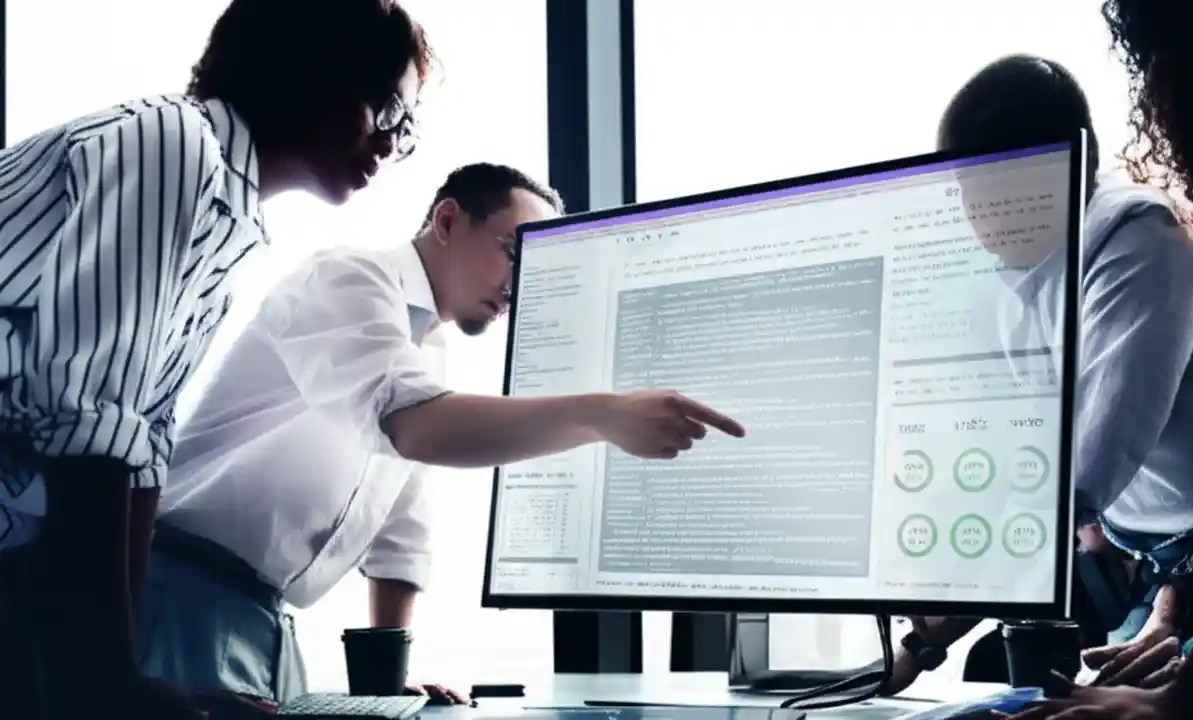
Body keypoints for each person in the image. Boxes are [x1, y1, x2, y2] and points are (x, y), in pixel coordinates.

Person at [135, 162, 747, 704]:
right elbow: (420, 429)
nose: (522, 280)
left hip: (260, 616)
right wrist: (602, 416)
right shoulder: (347, 280)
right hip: (188, 591)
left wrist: (384, 676)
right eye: (514, 248)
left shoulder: (426, 354)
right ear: (448, 220)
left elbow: (400, 530)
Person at [0, 1, 433, 717]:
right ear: (312, 69)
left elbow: (137, 452)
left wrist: (144, 685)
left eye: (405, 129)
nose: (390, 144)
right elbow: (88, 433)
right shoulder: (173, 144)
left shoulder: (232, 229)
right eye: (387, 109)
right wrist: (114, 688)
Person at [886, 54, 1193, 697]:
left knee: (1084, 692)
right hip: (1157, 562)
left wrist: (924, 639)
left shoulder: (1147, 239)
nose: (973, 211)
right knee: (1003, 671)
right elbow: (1015, 467)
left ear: (1066, 167)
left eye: (989, 186)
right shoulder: (1022, 276)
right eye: (963, 188)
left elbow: (1075, 477)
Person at [1005, 2, 1193, 717]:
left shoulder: (1146, 234)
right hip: (1192, 564)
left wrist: (1186, 698)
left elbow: (1081, 476)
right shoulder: (1045, 276)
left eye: (1159, 59)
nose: (1152, 94)